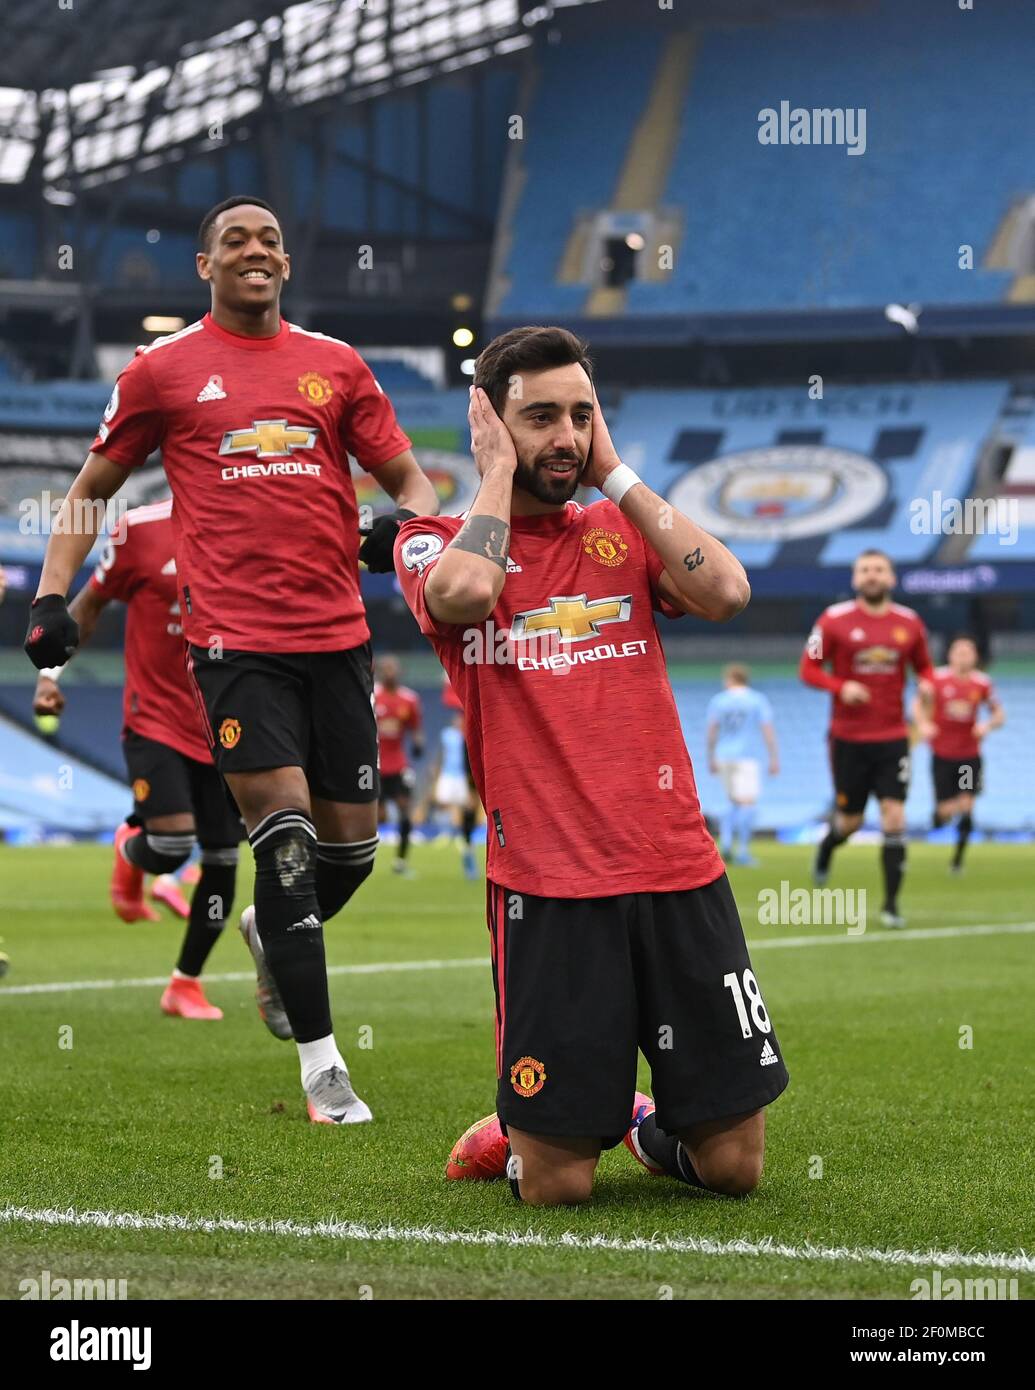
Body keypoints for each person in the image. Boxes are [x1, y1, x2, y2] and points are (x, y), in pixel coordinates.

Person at [24, 195, 439, 1124]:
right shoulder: (162, 373)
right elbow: (94, 485)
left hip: (339, 642)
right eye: (235, 242)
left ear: (285, 265)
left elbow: (410, 482)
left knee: (351, 855)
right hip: (233, 647)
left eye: (270, 242)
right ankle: (324, 1070)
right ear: (205, 266)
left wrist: (407, 527)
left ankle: (261, 934)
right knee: (283, 847)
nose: (255, 252)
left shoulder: (336, 367)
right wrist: (54, 595)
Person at [395, 325, 788, 1206]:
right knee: (558, 1191)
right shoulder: (432, 540)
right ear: (490, 423)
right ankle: (525, 1130)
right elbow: (462, 598)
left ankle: (642, 1124)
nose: (564, 437)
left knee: (733, 1172)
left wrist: (616, 472)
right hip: (549, 885)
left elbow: (726, 592)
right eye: (538, 417)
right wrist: (496, 471)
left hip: (676, 868)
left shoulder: (621, 527)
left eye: (580, 414)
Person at [33, 498, 241, 1018]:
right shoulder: (140, 529)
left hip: (229, 722)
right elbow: (89, 605)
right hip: (156, 719)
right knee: (171, 845)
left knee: (223, 859)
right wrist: (49, 674)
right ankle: (131, 849)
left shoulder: (251, 518)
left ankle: (185, 984)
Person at [800, 549, 934, 928]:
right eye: (865, 570)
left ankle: (891, 905)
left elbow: (924, 667)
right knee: (852, 822)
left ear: (891, 578)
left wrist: (926, 683)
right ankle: (829, 845)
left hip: (893, 738)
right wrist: (841, 687)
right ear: (856, 579)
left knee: (894, 815)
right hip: (848, 739)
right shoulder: (832, 621)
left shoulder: (910, 623)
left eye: (879, 570)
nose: (872, 576)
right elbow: (808, 669)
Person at [912, 635, 1004, 872]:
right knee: (946, 810)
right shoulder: (935, 679)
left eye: (968, 651)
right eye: (959, 651)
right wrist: (922, 724)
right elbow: (917, 704)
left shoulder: (982, 684)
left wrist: (987, 726)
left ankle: (957, 860)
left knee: (966, 804)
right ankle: (937, 818)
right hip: (942, 755)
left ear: (975, 657)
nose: (963, 655)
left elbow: (998, 714)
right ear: (950, 655)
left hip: (968, 757)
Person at [706, 664, 779, 867]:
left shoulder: (719, 700)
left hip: (724, 755)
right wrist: (773, 757)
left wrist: (710, 757)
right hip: (747, 756)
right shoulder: (757, 699)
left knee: (732, 801)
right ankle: (743, 851)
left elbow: (712, 731)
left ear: (731, 679)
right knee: (747, 803)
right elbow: (767, 729)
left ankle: (727, 843)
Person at [373, 655, 424, 877]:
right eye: (386, 668)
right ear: (380, 672)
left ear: (400, 672)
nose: (389, 672)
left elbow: (416, 729)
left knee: (405, 811)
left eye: (393, 668)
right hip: (374, 765)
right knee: (378, 817)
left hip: (399, 764)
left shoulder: (409, 699)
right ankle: (362, 860)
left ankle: (401, 862)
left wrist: (418, 743)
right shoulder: (372, 696)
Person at [426, 710, 479, 879]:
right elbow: (440, 753)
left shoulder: (468, 736)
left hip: (462, 778)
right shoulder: (447, 735)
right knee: (440, 803)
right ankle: (447, 832)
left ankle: (464, 843)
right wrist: (435, 769)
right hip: (448, 775)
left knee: (467, 809)